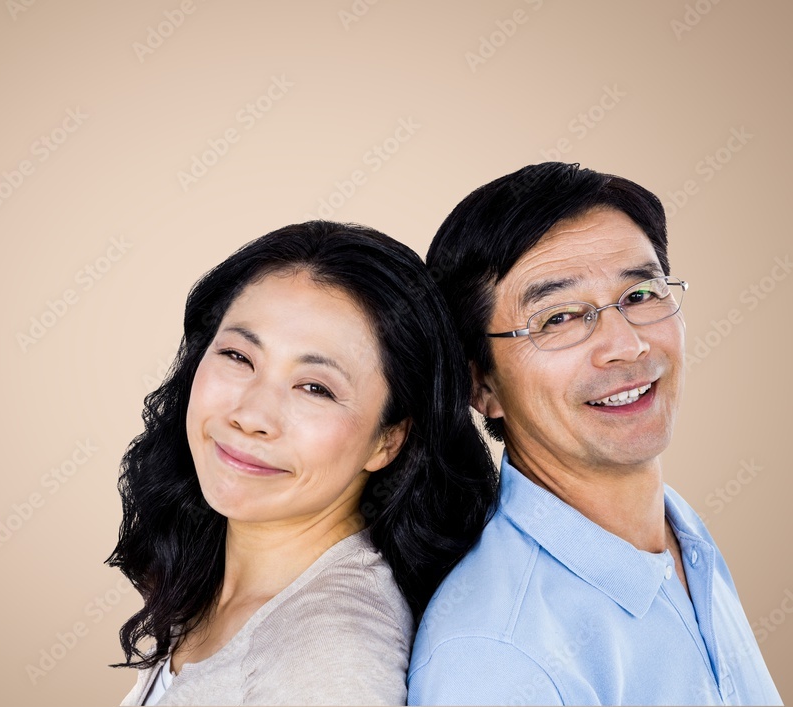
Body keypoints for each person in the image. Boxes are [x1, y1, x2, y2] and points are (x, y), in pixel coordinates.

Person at [408, 162, 782, 706]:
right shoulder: (496, 660)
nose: (626, 346)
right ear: (479, 384)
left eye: (640, 295)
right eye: (559, 318)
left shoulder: (681, 533)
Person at [107, 220, 497, 705]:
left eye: (316, 388)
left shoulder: (331, 659)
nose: (251, 416)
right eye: (237, 355)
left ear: (389, 439)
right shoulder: (214, 579)